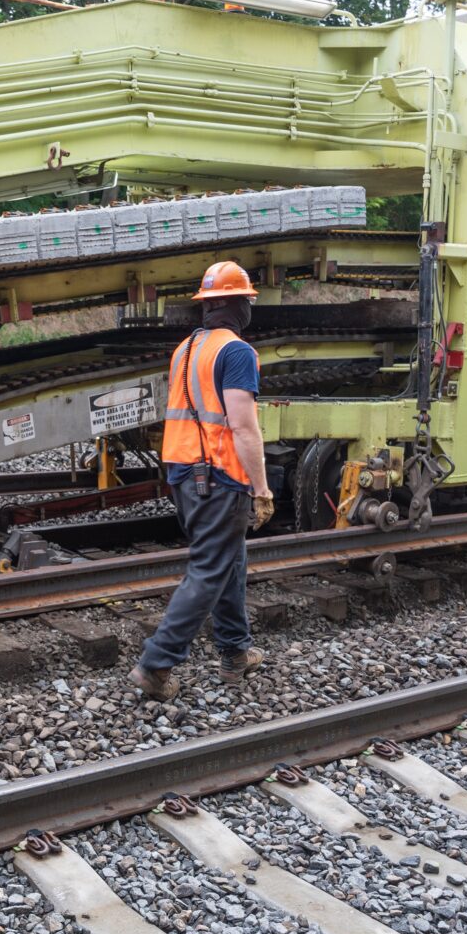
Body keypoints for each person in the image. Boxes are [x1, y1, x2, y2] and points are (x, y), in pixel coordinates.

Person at [130, 260, 275, 701]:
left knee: (228, 559)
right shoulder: (235, 352)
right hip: (219, 474)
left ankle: (234, 652)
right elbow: (243, 427)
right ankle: (156, 665)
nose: (251, 307)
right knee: (210, 569)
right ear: (236, 304)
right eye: (248, 300)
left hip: (184, 473)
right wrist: (262, 488)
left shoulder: (187, 348)